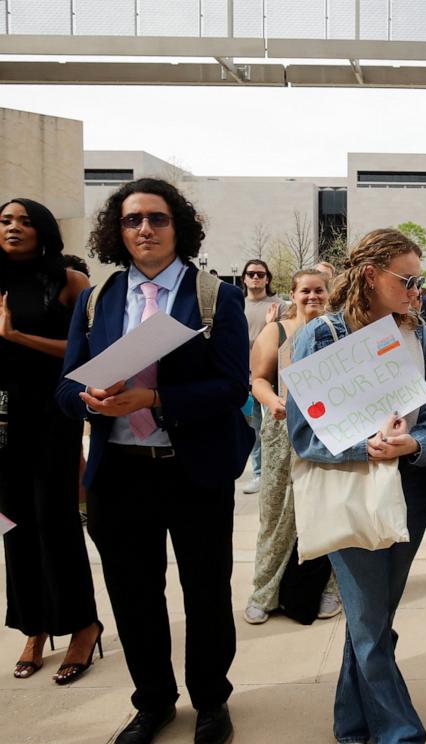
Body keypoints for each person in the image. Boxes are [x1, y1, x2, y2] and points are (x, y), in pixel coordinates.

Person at [57, 178, 252, 744]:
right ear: (117, 231)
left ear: (178, 226)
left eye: (157, 218)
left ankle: (212, 701)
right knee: (134, 594)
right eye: (132, 219)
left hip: (193, 468)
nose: (144, 228)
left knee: (206, 592)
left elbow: (231, 385)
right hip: (118, 472)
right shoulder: (100, 298)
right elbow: (66, 388)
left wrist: (157, 399)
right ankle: (154, 702)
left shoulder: (215, 295)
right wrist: (86, 397)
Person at [287, 228, 426, 744]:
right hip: (350, 488)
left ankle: (351, 726)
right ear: (372, 275)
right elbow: (303, 435)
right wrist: (369, 449)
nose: (416, 290)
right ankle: (402, 734)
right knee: (371, 626)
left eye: (420, 280)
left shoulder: (416, 331)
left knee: (373, 622)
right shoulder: (323, 334)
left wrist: (415, 445)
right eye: (408, 278)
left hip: (411, 490)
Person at [0, 198, 103, 684]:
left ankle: (83, 624)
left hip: (49, 416)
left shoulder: (68, 280)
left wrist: (18, 337)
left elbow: (86, 351)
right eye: (5, 221)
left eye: (23, 221)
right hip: (3, 421)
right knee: (13, 525)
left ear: (42, 230)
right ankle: (33, 626)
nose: (13, 228)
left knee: (54, 520)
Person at [244, 268, 342, 625]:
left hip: (331, 432)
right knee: (276, 512)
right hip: (284, 429)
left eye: (319, 290)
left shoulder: (340, 330)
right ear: (293, 294)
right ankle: (264, 591)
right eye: (306, 291)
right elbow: (257, 380)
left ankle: (329, 588)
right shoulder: (278, 331)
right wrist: (273, 403)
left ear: (329, 293)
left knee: (328, 510)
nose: (313, 297)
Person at [241, 258, 283, 495]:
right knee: (254, 430)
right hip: (243, 378)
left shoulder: (279, 305)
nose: (255, 277)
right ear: (244, 278)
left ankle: (274, 473)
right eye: (251, 273)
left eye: (260, 274)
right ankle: (258, 473)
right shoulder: (237, 305)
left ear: (267, 278)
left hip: (270, 378)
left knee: (272, 429)